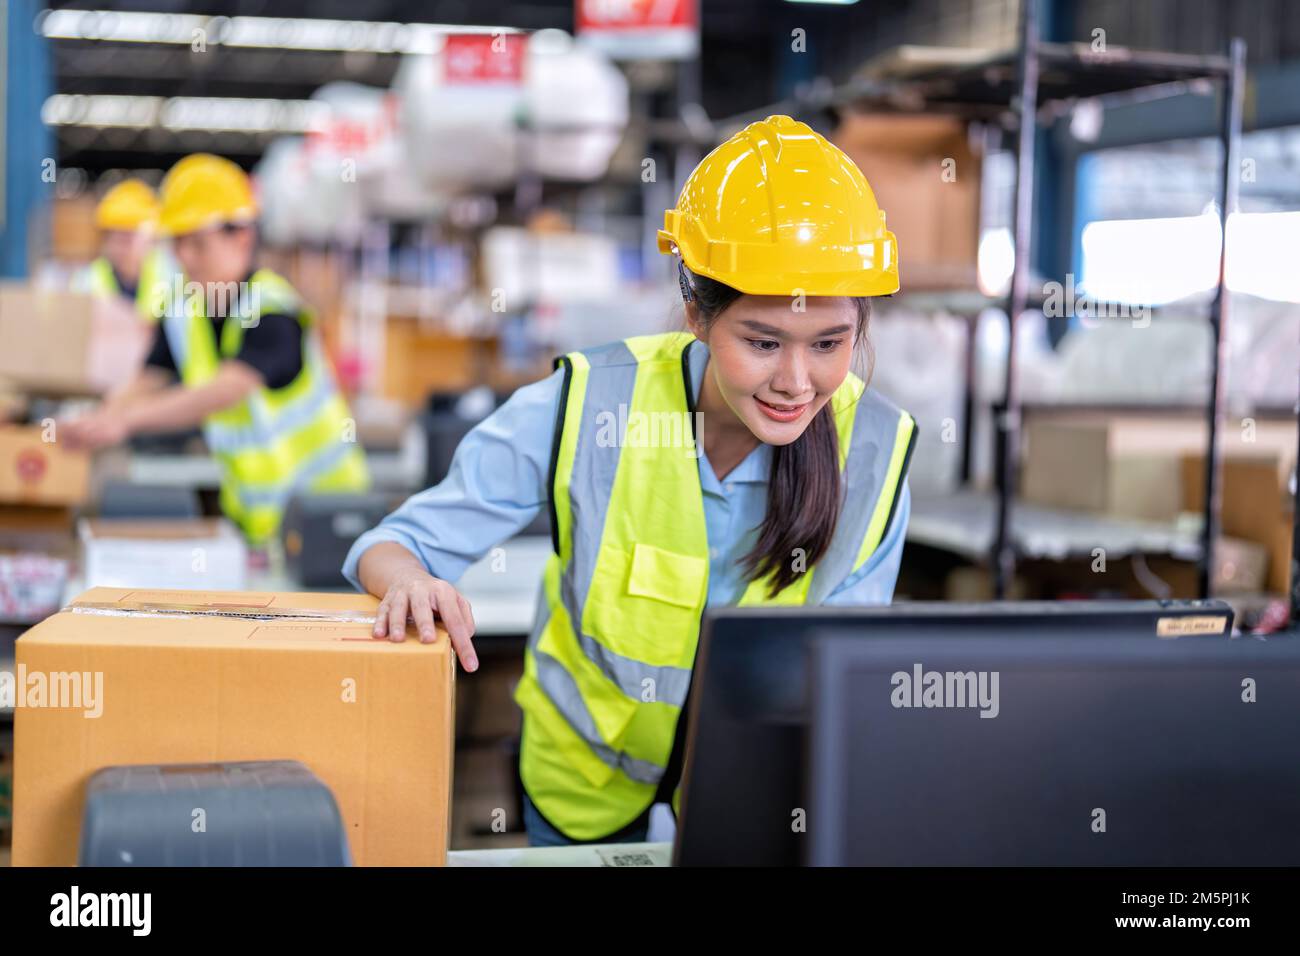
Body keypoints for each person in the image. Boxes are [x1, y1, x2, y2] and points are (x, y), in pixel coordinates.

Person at [344, 115, 916, 846]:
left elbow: (848, 681)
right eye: (763, 343)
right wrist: (410, 581)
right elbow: (392, 544)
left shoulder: (872, 451)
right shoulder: (589, 405)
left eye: (831, 344)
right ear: (698, 318)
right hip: (581, 791)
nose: (797, 383)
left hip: (759, 799)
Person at [62, 154, 370, 546]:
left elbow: (223, 390)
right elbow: (148, 377)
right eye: (177, 242)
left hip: (330, 517)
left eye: (198, 242)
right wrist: (99, 418)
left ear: (241, 237)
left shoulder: (273, 311)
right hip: (258, 524)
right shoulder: (183, 310)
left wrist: (126, 422)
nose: (185, 257)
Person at [72, 178, 173, 322]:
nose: (122, 245)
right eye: (115, 235)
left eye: (129, 235)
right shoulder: (86, 282)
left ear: (152, 235)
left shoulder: (171, 276)